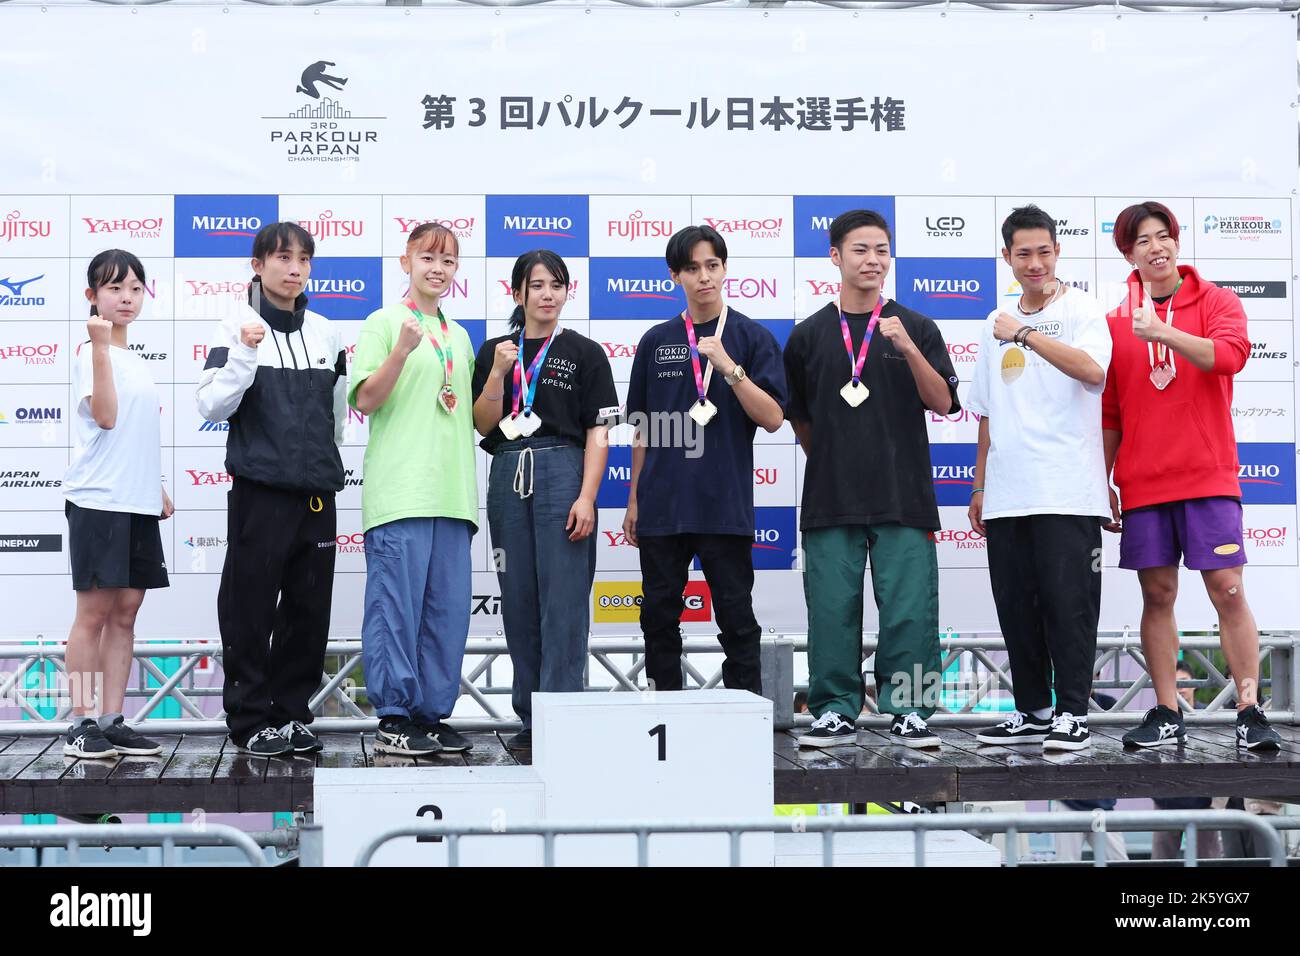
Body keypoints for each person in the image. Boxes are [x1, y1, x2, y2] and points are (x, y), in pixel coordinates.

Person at [1101, 201, 1281, 751]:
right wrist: (1100, 480)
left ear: (1177, 242)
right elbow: (1110, 411)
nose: (1156, 247)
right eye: (1143, 241)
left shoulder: (1217, 301)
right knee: (1157, 595)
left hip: (1207, 476)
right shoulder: (1113, 323)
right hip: (1144, 481)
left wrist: (1161, 330)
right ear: (1128, 254)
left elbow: (1229, 356)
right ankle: (1165, 710)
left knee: (1228, 589)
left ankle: (1249, 710)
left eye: (1164, 236)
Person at [784, 209, 960, 749]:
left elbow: (944, 401)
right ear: (835, 257)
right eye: (860, 250)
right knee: (832, 612)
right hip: (830, 498)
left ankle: (910, 711)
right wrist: (837, 460)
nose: (873, 260)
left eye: (882, 250)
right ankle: (834, 708)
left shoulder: (917, 327)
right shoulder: (808, 335)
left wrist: (906, 347)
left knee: (910, 612)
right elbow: (801, 418)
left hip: (902, 495)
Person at [197, 222, 346, 757]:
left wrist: (325, 465)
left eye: (304, 259)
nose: (294, 268)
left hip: (317, 494)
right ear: (257, 266)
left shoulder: (328, 332)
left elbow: (339, 417)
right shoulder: (234, 324)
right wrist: (242, 352)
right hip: (260, 491)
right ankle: (250, 718)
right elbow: (212, 406)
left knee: (308, 610)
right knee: (250, 607)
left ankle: (290, 714)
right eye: (282, 258)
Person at [968, 205, 1112, 752]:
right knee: (1017, 606)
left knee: (1067, 603)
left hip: (1066, 488)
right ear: (1007, 256)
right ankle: (1032, 711)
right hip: (1008, 489)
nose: (1035, 262)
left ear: (1057, 251)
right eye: (1023, 253)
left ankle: (1072, 714)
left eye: (1044, 251)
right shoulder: (992, 321)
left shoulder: (1082, 310)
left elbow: (1093, 371)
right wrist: (980, 485)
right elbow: (984, 410)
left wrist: (1025, 334)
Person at [622, 225, 787, 701]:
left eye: (712, 265)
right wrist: (634, 499)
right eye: (692, 268)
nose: (704, 277)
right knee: (658, 616)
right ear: (675, 275)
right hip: (662, 505)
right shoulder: (657, 340)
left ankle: (746, 715)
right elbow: (641, 428)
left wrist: (731, 369)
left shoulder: (751, 336)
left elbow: (774, 418)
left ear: (725, 269)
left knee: (736, 616)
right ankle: (664, 710)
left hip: (724, 505)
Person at [472, 250, 619, 752]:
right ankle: (531, 716)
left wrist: (588, 497)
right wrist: (496, 374)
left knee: (564, 601)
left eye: (557, 285)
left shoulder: (585, 351)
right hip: (509, 471)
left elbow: (600, 429)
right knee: (518, 601)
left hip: (563, 471)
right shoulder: (495, 349)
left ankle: (564, 713)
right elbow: (482, 423)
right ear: (518, 293)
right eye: (537, 286)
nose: (548, 294)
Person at [350, 223, 478, 757]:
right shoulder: (383, 322)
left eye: (448, 261)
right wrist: (400, 352)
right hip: (400, 491)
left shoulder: (461, 335)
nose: (438, 269)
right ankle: (394, 716)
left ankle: (430, 713)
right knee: (395, 610)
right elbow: (365, 400)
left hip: (453, 495)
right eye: (428, 257)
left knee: (446, 614)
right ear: (405, 262)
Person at [62, 250, 172, 759]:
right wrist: (101, 347)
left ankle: (111, 719)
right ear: (92, 297)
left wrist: (157, 488)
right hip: (98, 501)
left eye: (134, 288)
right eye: (114, 288)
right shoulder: (91, 353)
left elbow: (133, 434)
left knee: (127, 611)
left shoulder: (137, 360)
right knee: (95, 611)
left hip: (136, 499)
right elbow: (105, 417)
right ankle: (81, 723)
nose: (126, 297)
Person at [1150, 663, 1221, 860]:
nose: (1180, 686)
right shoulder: (1156, 720)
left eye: (1184, 681)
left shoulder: (1210, 715)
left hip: (1203, 802)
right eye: (1175, 682)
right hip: (1166, 801)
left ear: (1195, 685)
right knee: (1161, 861)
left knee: (1209, 861)